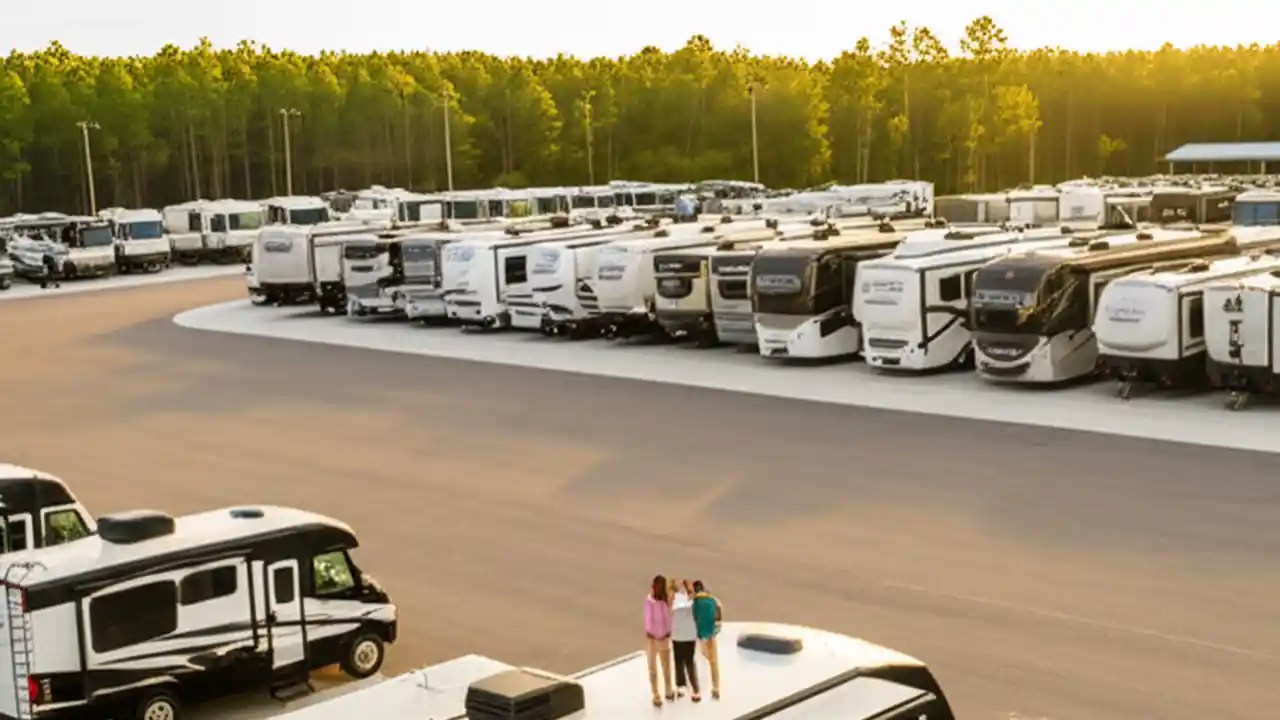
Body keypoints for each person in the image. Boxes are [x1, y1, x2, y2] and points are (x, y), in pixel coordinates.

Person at [643, 574, 674, 707]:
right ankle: (656, 693)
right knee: (653, 666)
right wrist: (656, 634)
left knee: (665, 665)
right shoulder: (650, 600)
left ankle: (668, 690)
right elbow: (648, 619)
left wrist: (666, 632)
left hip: (662, 637)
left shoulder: (665, 600)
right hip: (653, 637)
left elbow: (667, 618)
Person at [670, 579, 701, 702]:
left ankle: (682, 686)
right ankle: (694, 689)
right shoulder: (691, 601)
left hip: (679, 635)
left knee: (679, 661)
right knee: (688, 662)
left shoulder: (673, 602)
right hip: (688, 635)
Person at [692, 580, 722, 699]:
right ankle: (716, 688)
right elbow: (719, 616)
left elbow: (694, 618)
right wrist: (716, 630)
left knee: (701, 660)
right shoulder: (713, 600)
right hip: (711, 634)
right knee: (713, 661)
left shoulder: (695, 602)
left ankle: (698, 689)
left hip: (700, 635)